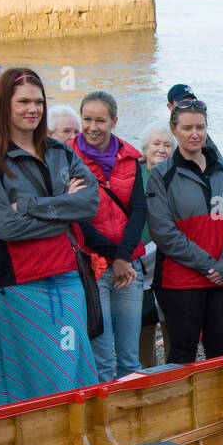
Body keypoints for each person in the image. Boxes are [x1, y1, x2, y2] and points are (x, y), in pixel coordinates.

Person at [0, 68, 101, 407]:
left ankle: (69, 441)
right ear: (5, 107)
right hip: (20, 282)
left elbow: (89, 204)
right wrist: (63, 209)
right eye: (23, 101)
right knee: (37, 376)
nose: (33, 109)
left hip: (68, 276)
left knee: (71, 368)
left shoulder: (62, 152)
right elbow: (5, 227)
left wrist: (29, 206)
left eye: (39, 101)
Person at [144, 98, 223, 364]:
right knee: (183, 351)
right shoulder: (162, 175)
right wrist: (206, 264)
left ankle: (221, 404)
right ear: (174, 129)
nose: (195, 134)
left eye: (200, 127)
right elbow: (163, 231)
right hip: (181, 280)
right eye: (187, 127)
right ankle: (182, 405)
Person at [71, 90, 147, 381]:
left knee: (129, 355)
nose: (92, 127)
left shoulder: (129, 158)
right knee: (100, 355)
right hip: (92, 264)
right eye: (87, 119)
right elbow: (77, 217)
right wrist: (115, 256)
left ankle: (130, 415)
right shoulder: (69, 158)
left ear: (114, 121)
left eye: (100, 120)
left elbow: (139, 210)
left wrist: (124, 256)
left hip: (128, 264)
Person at [136, 123, 174, 367]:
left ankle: (172, 371)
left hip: (169, 256)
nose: (161, 149)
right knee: (144, 321)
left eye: (167, 145)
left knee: (171, 319)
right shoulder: (133, 174)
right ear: (144, 148)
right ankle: (147, 373)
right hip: (139, 256)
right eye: (156, 144)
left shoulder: (176, 174)